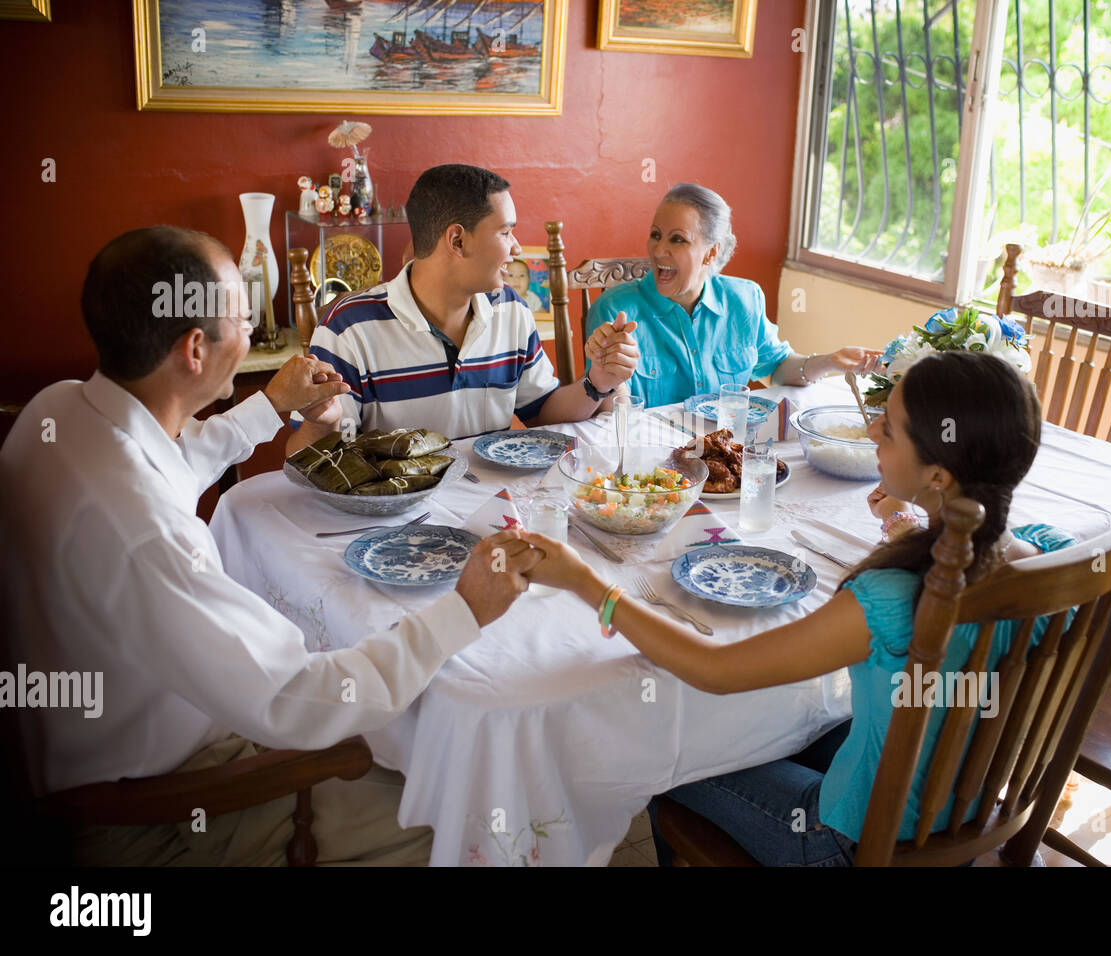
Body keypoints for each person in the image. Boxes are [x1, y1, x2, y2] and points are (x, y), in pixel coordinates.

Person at [0, 226, 542, 865]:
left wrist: (272, 403)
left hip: (93, 742)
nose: (254, 329)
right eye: (242, 317)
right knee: (494, 819)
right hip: (164, 811)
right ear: (196, 348)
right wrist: (464, 610)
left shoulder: (59, 412)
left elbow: (170, 459)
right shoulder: (146, 535)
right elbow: (296, 700)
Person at [519, 350, 1077, 866]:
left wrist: (588, 584)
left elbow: (715, 670)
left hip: (846, 841)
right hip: (966, 806)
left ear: (938, 475)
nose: (872, 428)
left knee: (665, 756)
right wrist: (912, 521)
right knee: (797, 722)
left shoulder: (893, 599)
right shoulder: (1056, 554)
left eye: (891, 425)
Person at [287, 165, 640, 455]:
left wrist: (599, 381)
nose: (517, 247)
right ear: (457, 240)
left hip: (492, 508)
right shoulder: (347, 330)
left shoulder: (511, 311)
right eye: (506, 232)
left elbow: (542, 414)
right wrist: (322, 423)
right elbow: (305, 458)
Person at [583, 182, 882, 409]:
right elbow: (612, 411)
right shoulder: (616, 310)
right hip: (653, 464)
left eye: (677, 239)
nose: (658, 250)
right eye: (656, 234)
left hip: (726, 455)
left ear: (711, 252)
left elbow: (777, 369)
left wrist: (832, 360)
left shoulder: (745, 299)